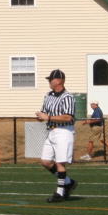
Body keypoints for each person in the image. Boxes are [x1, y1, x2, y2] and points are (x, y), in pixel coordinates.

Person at [36, 68, 77, 202]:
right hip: (51, 131)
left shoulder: (68, 97)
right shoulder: (48, 95)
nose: (49, 82)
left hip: (63, 131)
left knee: (60, 162)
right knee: (45, 161)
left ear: (58, 81)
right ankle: (68, 182)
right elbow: (45, 112)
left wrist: (48, 117)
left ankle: (60, 192)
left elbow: (68, 117)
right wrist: (41, 117)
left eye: (51, 79)